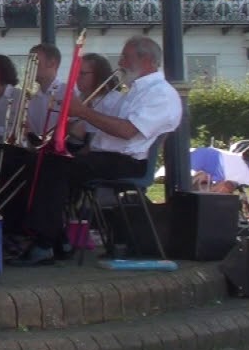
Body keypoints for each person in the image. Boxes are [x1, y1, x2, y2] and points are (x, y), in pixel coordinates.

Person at [10, 35, 182, 266]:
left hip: (126, 161)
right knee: (38, 161)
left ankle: (44, 243)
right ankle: (53, 238)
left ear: (148, 60)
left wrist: (82, 112)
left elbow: (128, 131)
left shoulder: (160, 94)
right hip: (106, 156)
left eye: (126, 57)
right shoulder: (135, 90)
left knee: (54, 167)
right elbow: (105, 129)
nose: (120, 62)